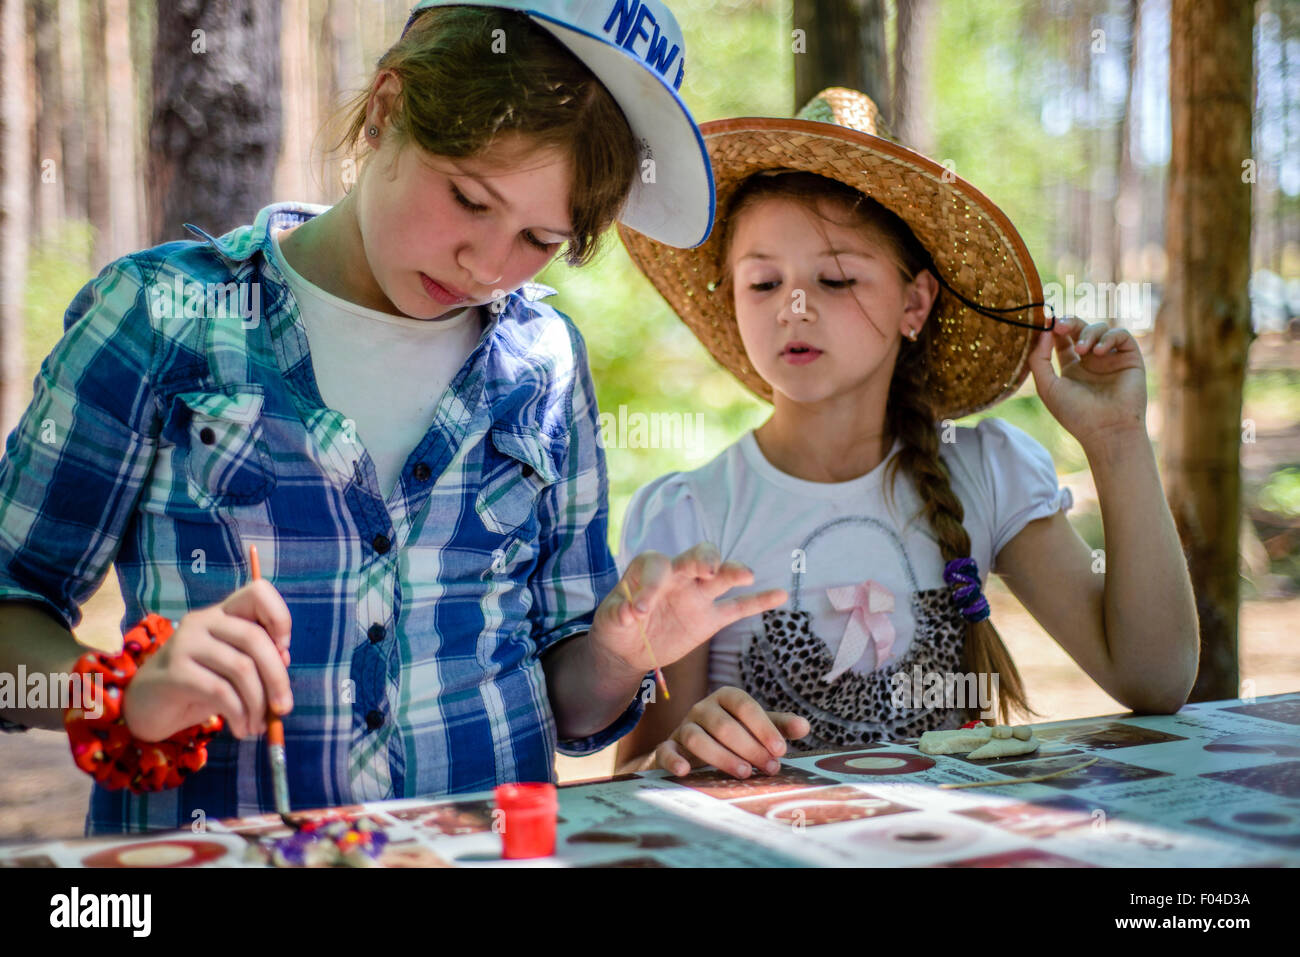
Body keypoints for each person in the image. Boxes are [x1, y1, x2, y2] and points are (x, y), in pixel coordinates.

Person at [0, 0, 785, 833]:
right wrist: (122, 691)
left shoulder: (544, 362)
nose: (488, 264)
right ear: (386, 108)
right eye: (470, 199)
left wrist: (621, 655)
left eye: (537, 237)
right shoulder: (162, 316)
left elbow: (573, 703)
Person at [613, 87, 1199, 780]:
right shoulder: (692, 515)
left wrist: (1117, 439)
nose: (794, 309)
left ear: (914, 302)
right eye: (763, 283)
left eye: (835, 279)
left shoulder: (984, 475)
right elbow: (638, 770)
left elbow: (1155, 679)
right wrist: (681, 746)